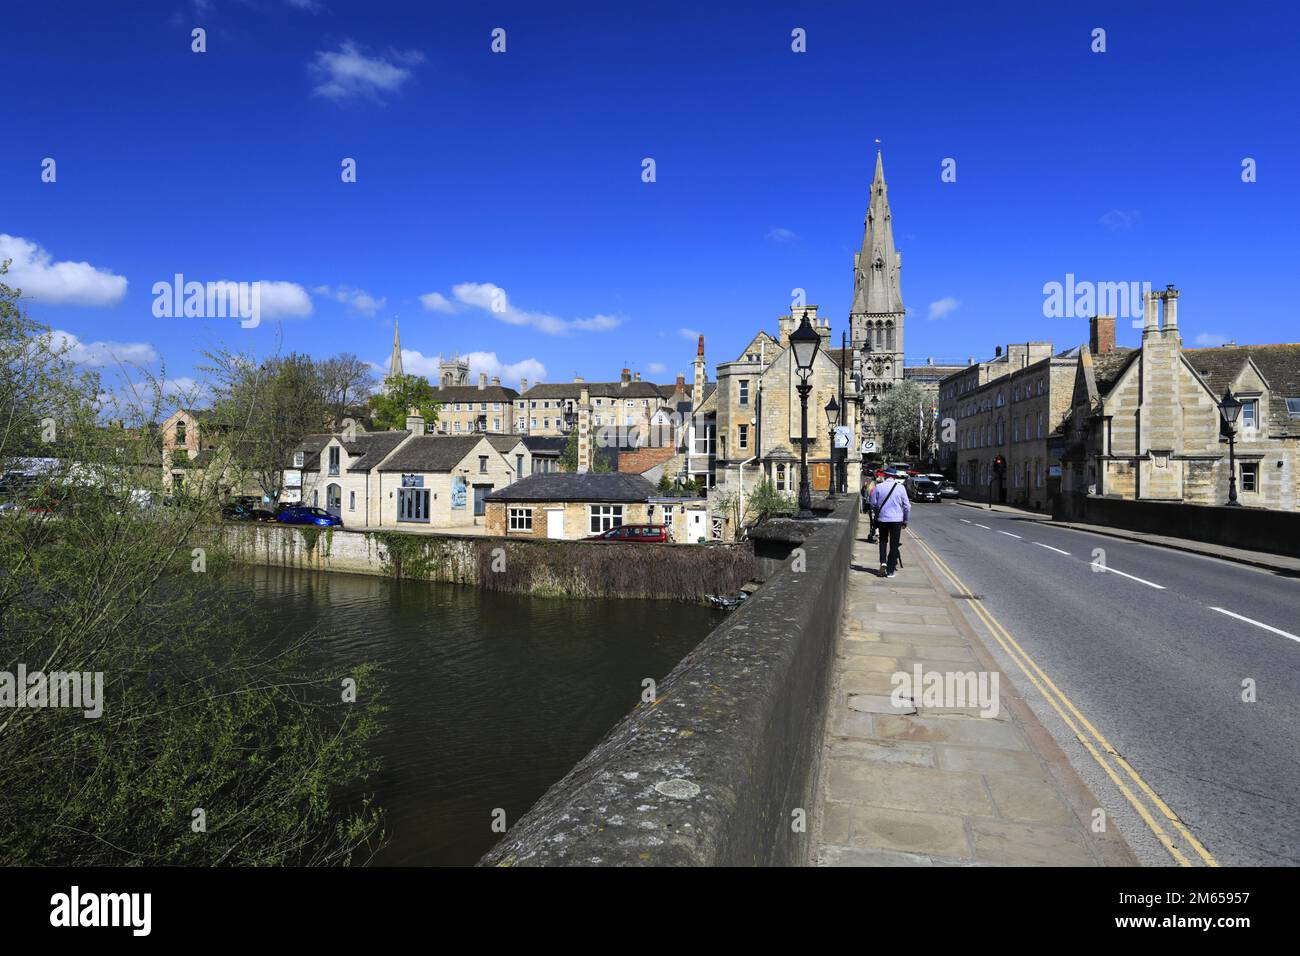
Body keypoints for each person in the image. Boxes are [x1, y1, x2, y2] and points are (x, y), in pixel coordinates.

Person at [869, 471, 910, 578]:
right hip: (897, 520)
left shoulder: (879, 487)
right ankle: (891, 571)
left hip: (883, 519)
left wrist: (878, 512)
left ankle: (883, 561)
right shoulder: (901, 488)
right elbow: (907, 506)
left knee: (883, 541)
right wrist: (905, 520)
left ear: (886, 476)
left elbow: (872, 503)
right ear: (895, 476)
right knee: (894, 544)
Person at [861, 473, 878, 541]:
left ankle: (872, 533)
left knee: (872, 521)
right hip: (877, 507)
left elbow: (865, 496)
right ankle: (875, 533)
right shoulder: (877, 486)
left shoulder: (869, 486)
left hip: (870, 506)